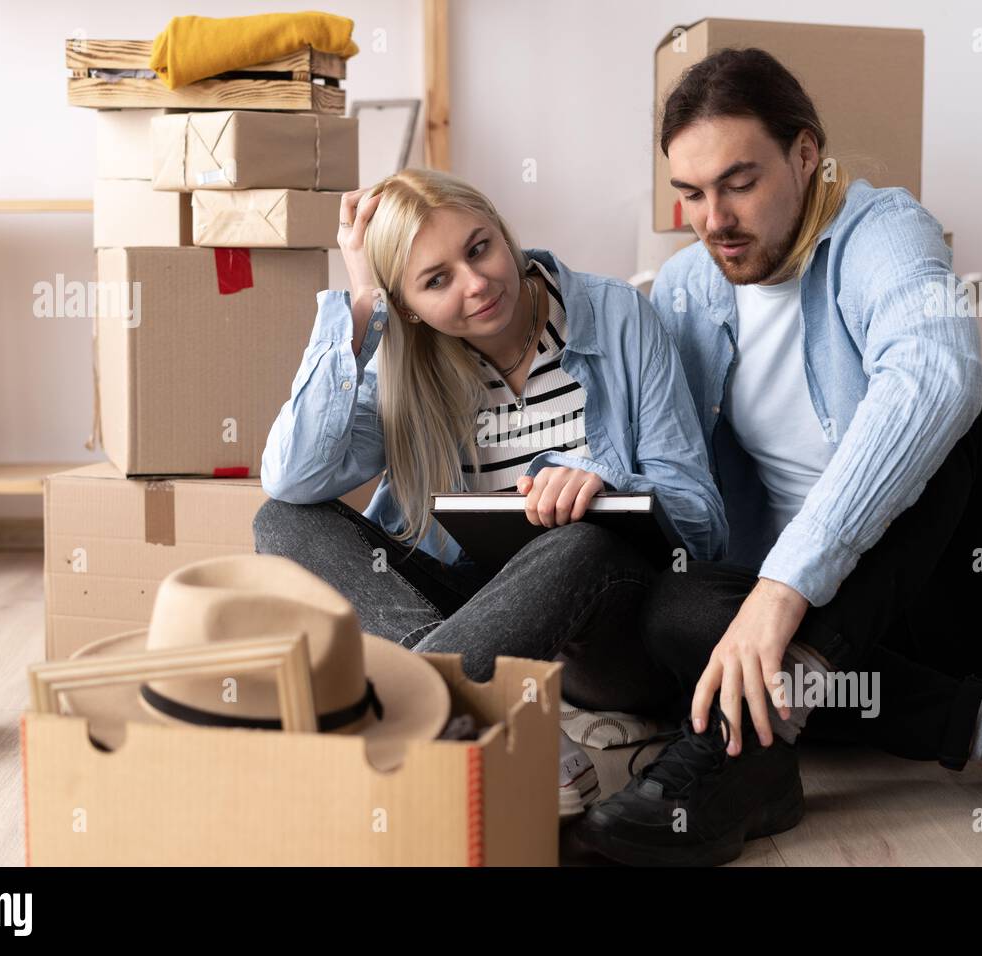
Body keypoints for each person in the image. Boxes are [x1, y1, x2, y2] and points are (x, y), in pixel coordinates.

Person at [575, 47, 982, 868]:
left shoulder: (882, 230)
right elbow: (668, 457)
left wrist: (783, 588)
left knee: (948, 415)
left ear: (805, 154)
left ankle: (736, 752)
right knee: (677, 612)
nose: (713, 218)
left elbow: (937, 377)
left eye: (739, 182)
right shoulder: (686, 288)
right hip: (846, 647)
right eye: (690, 194)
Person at [252, 167, 727, 819]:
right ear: (410, 306)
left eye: (479, 248)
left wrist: (604, 482)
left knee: (577, 540)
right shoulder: (407, 361)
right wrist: (362, 305)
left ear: (503, 231)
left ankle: (417, 710)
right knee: (281, 521)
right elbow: (291, 476)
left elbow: (700, 519)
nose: (476, 284)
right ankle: (487, 708)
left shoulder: (616, 315)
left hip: (607, 645)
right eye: (436, 280)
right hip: (475, 615)